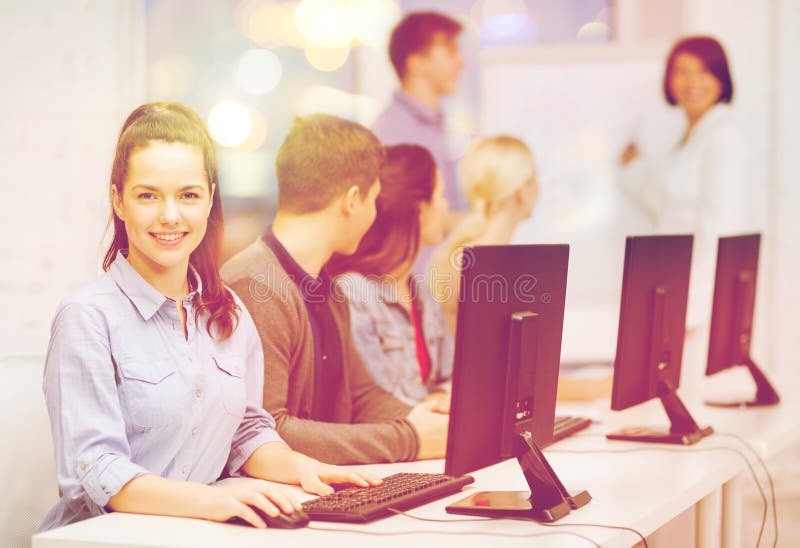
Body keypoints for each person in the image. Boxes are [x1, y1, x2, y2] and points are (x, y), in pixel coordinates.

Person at [40, 103, 378, 531]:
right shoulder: (87, 318)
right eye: (148, 195)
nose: (170, 215)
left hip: (197, 533)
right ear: (118, 201)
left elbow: (245, 433)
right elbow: (97, 470)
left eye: (188, 195)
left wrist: (305, 469)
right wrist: (214, 501)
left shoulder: (229, 314)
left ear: (209, 200)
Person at [221, 114, 448, 465]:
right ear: (352, 200)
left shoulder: (329, 290)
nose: (375, 214)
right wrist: (408, 438)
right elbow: (267, 433)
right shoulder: (256, 285)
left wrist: (426, 421)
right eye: (373, 200)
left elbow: (361, 397)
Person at [619, 36, 763, 330]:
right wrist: (633, 167)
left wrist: (693, 308)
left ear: (721, 78)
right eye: (682, 72)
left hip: (702, 303)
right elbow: (666, 206)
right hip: (675, 289)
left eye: (704, 71)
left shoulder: (724, 137)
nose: (692, 82)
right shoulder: (688, 140)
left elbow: (723, 229)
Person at [327, 144, 453, 407]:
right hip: (401, 432)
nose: (446, 207)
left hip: (433, 428)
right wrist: (437, 404)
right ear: (419, 208)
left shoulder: (420, 291)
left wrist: (440, 400)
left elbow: (450, 378)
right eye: (441, 196)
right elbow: (375, 403)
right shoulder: (354, 293)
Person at [373, 11, 465, 273]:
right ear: (417, 63)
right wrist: (477, 221)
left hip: (441, 280)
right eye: (450, 52)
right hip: (413, 283)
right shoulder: (391, 135)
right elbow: (402, 219)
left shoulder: (438, 126)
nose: (461, 62)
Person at [429, 135, 539, 334]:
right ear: (521, 190)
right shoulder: (485, 266)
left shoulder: (464, 255)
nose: (539, 189)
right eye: (535, 179)